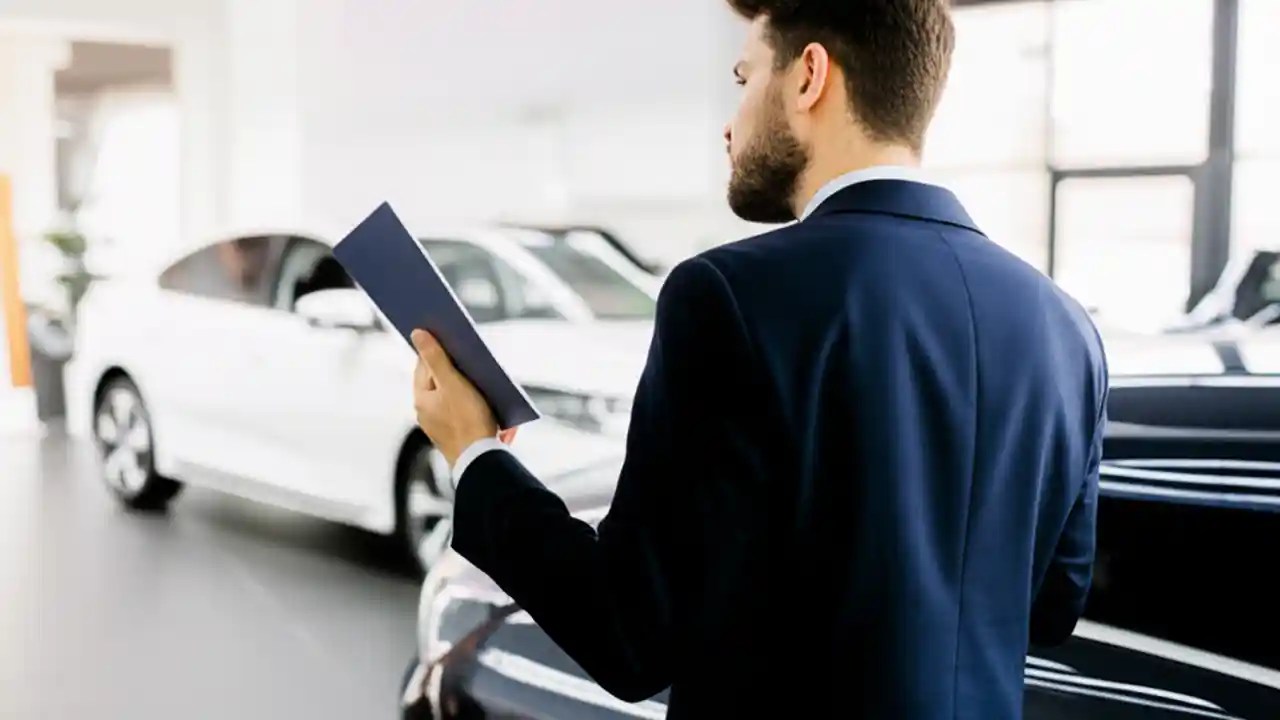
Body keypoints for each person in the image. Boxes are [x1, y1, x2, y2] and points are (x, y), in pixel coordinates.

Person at [409, 1, 1108, 717]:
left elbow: (628, 634)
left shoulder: (727, 298)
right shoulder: (1066, 331)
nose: (729, 121)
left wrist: (474, 454)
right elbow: (1050, 608)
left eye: (744, 79)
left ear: (808, 76)